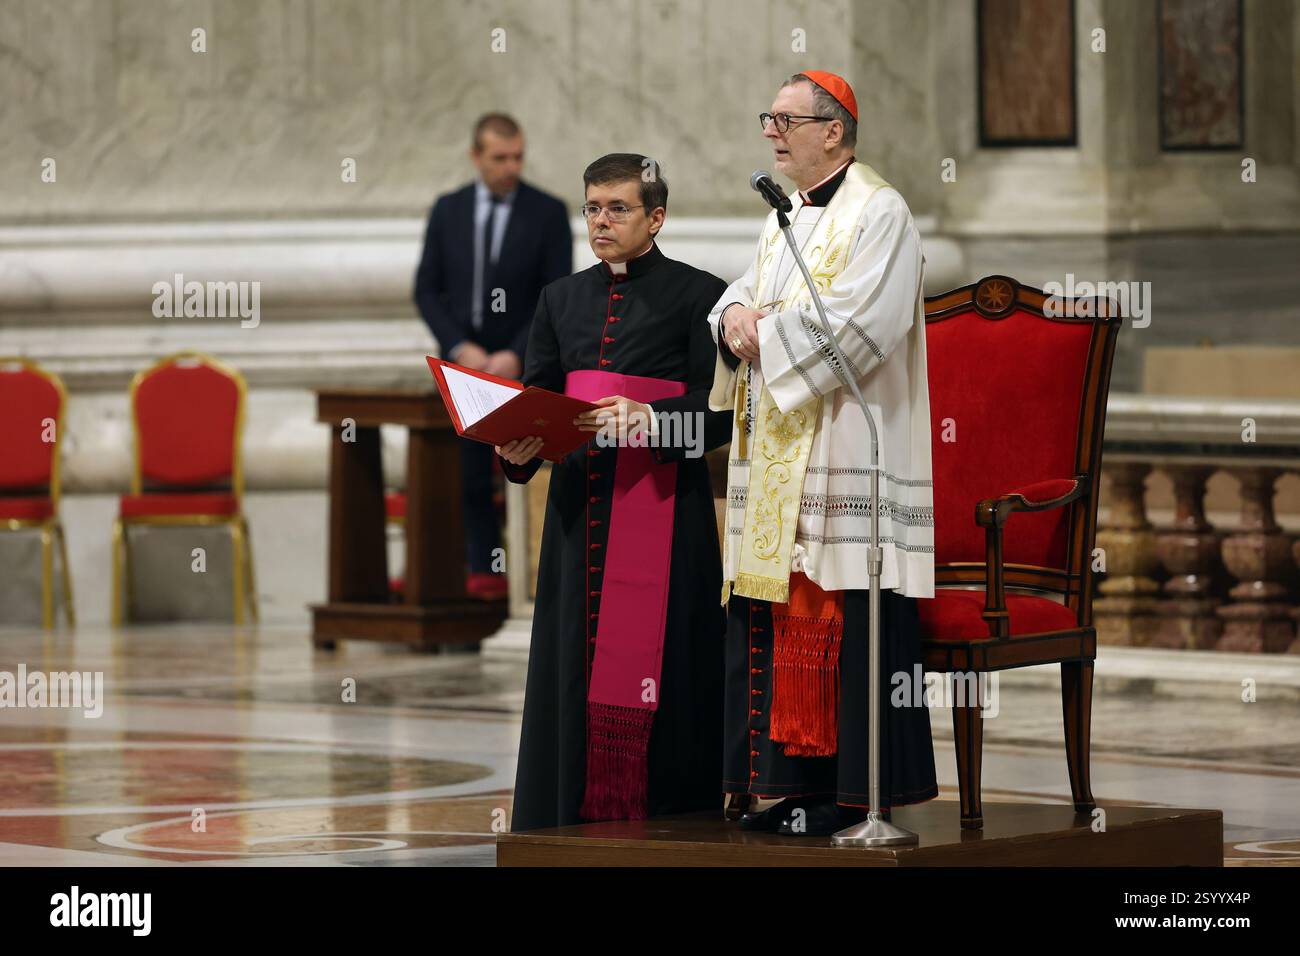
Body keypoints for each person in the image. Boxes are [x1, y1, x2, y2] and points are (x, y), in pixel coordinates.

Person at [708, 71, 939, 836]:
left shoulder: (883, 213)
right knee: (782, 614)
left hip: (848, 450)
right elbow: (750, 290)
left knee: (851, 613)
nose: (770, 131)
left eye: (784, 119)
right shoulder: (787, 214)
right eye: (767, 117)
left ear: (833, 130)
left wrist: (766, 331)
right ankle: (799, 791)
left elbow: (863, 328)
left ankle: (857, 794)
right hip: (785, 458)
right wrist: (736, 312)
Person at [497, 153, 732, 831]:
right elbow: (537, 402)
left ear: (656, 217)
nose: (601, 221)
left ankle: (671, 819)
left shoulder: (701, 296)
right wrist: (519, 451)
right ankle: (564, 819)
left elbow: (720, 416)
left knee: (672, 671)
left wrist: (653, 418)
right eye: (593, 208)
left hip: (663, 513)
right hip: (579, 522)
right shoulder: (560, 298)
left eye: (618, 208)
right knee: (570, 670)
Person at [414, 113, 572, 599]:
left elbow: (556, 292)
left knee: (517, 462)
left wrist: (514, 352)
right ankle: (476, 567)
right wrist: (461, 347)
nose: (510, 166)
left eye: (517, 156)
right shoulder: (449, 209)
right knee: (462, 470)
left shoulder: (546, 212)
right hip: (463, 365)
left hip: (520, 365)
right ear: (476, 156)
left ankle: (523, 572)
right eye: (500, 157)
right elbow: (426, 289)